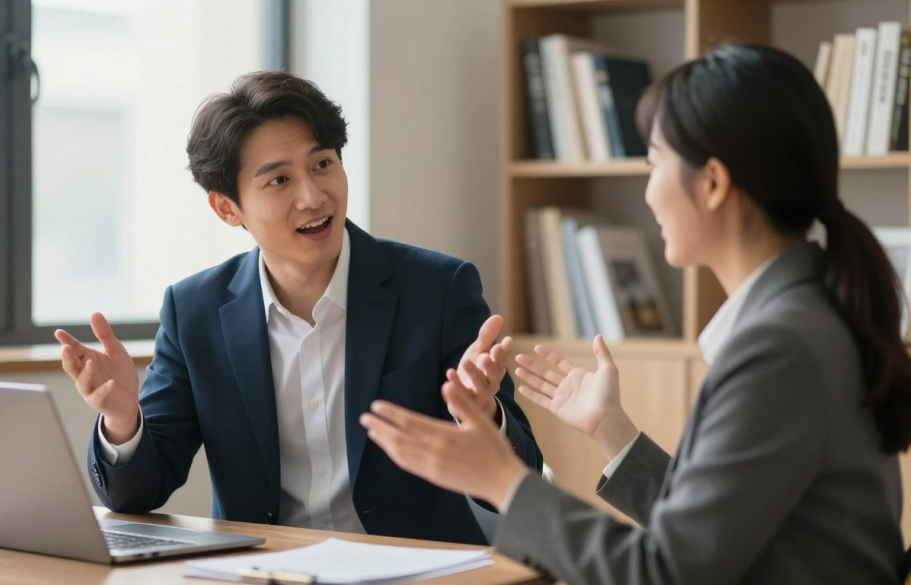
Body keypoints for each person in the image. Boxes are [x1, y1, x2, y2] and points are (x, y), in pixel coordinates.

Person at [360, 43, 911, 582]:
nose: (648, 195)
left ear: (713, 183)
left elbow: (666, 568)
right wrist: (612, 430)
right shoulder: (806, 315)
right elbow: (715, 535)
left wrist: (504, 481)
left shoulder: (780, 347)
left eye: (654, 165)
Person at [53, 71, 543, 545]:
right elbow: (139, 495)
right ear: (227, 208)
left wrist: (483, 418)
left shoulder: (437, 290)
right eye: (279, 181)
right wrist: (122, 421)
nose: (313, 196)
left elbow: (522, 478)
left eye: (323, 164)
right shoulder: (193, 311)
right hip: (264, 571)